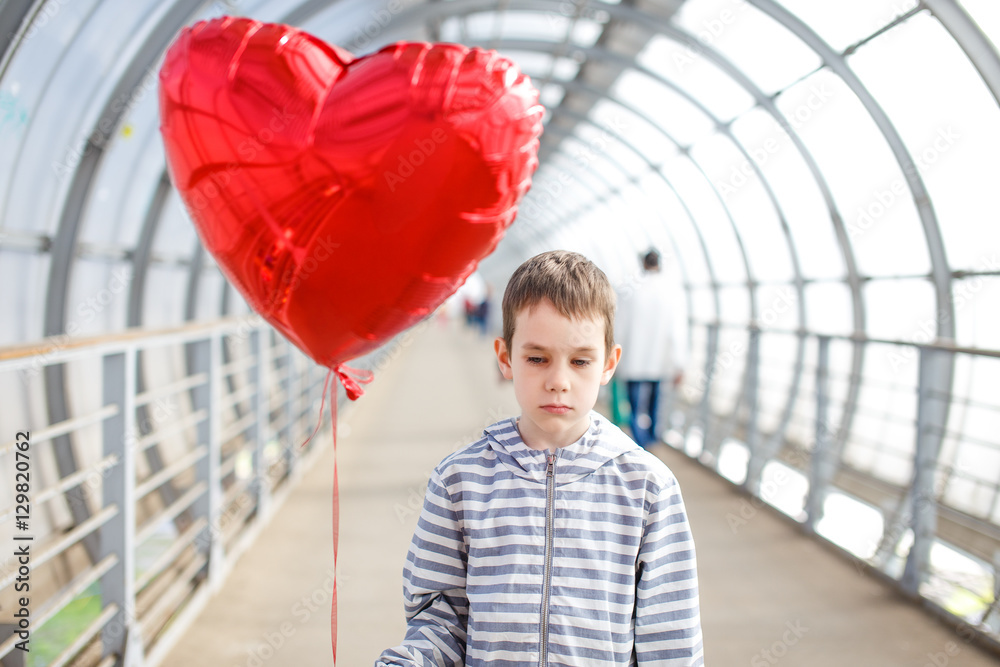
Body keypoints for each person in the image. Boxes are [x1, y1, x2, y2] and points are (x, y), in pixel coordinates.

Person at [376, 250, 703, 666]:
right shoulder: (459, 481)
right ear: (505, 357)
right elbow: (440, 619)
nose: (558, 382)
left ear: (609, 364)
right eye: (537, 358)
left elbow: (670, 636)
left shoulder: (647, 486)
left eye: (581, 361)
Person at [615, 249, 685, 449]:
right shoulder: (671, 291)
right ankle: (652, 442)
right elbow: (678, 330)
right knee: (656, 404)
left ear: (643, 263)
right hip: (659, 361)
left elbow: (619, 325)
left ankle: (640, 442)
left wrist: (615, 355)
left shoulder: (630, 291)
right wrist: (679, 363)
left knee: (635, 405)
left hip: (633, 360)